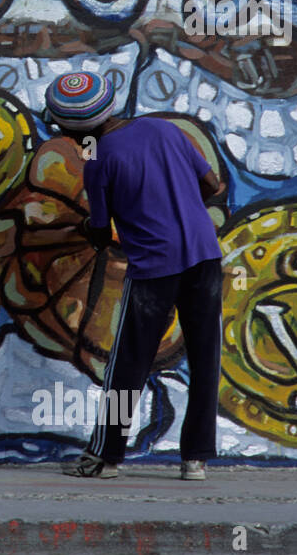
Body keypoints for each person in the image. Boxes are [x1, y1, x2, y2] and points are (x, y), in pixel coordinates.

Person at [41, 71, 226, 481]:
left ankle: (106, 458)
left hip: (154, 268)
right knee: (205, 358)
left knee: (129, 364)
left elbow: (101, 229)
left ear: (73, 128)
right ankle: (194, 460)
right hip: (205, 257)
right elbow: (212, 185)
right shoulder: (167, 130)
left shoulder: (100, 161)